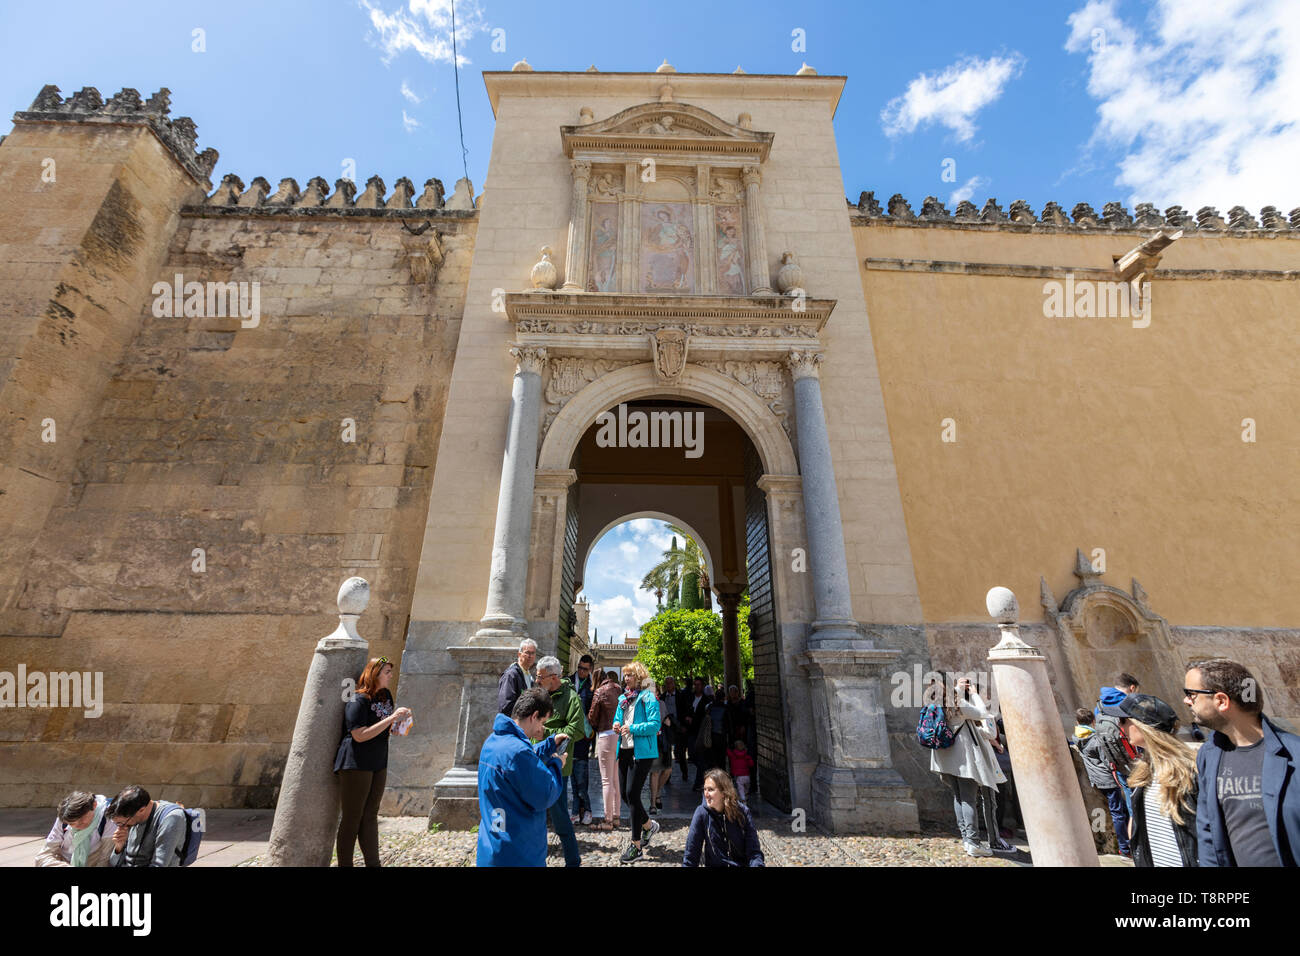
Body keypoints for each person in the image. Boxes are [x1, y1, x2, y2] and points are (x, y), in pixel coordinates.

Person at [1186, 658, 1300, 866]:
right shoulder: (1208, 755)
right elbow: (1208, 832)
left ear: (1221, 701)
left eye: (1191, 694)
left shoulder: (1295, 755)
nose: (1186, 701)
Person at [476, 687, 566, 867]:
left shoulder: (493, 742)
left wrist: (548, 746)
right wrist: (557, 764)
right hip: (518, 852)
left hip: (492, 846)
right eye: (543, 722)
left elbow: (517, 765)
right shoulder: (518, 753)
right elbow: (545, 794)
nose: (542, 729)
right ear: (534, 716)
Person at [332, 656, 409, 867]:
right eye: (387, 672)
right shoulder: (358, 700)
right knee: (352, 819)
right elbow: (359, 735)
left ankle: (373, 864)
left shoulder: (385, 697)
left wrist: (399, 724)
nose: (390, 676)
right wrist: (391, 719)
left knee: (370, 815)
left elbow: (384, 728)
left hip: (378, 761)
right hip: (356, 762)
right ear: (374, 674)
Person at [1111, 694, 1199, 867]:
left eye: (1122, 720)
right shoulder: (1143, 771)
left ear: (1141, 726)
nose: (1119, 726)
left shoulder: (1190, 771)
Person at [928, 676, 1007, 857]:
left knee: (958, 798)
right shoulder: (959, 706)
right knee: (968, 799)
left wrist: (955, 688)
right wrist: (974, 694)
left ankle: (966, 839)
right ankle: (973, 842)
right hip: (964, 760)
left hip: (945, 759)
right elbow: (984, 713)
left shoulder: (936, 706)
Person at [535, 655, 583, 866]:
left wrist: (547, 733)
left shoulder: (572, 698)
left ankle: (573, 860)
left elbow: (578, 730)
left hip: (557, 766)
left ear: (553, 677)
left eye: (541, 677)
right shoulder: (539, 694)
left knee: (560, 816)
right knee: (533, 813)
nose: (537, 680)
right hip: (534, 762)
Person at [1081, 685, 1138, 857]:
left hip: (1114, 772)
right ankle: (1128, 846)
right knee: (1129, 811)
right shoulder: (1118, 714)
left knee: (1127, 810)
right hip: (1119, 773)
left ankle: (1128, 847)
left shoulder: (1099, 716)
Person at [615, 661, 662, 863]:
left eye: (630, 675)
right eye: (625, 675)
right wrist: (616, 725)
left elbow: (655, 725)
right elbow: (618, 719)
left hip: (642, 753)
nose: (626, 679)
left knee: (633, 794)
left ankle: (636, 847)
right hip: (624, 750)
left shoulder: (648, 698)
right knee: (626, 796)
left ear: (640, 677)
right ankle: (649, 826)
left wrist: (632, 728)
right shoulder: (623, 699)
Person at [682, 769, 765, 867]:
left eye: (711, 789)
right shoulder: (701, 813)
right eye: (705, 789)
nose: (706, 794)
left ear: (723, 792)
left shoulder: (742, 812)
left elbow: (754, 852)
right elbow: (691, 854)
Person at [107, 785, 186, 867]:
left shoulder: (171, 818)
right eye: (117, 823)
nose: (120, 827)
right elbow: (113, 863)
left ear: (141, 810)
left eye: (122, 823)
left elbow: (159, 864)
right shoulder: (131, 817)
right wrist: (119, 848)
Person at [35, 791, 118, 867]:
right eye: (72, 824)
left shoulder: (107, 819)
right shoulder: (64, 819)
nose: (78, 826)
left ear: (94, 805)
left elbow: (105, 859)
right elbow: (43, 855)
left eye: (82, 820)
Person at [589, 669, 622, 830]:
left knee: (606, 780)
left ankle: (607, 819)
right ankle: (616, 816)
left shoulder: (599, 691)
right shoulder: (618, 689)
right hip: (618, 735)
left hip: (605, 735)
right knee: (615, 778)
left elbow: (592, 716)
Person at [568, 654, 596, 825]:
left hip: (584, 737)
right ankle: (575, 810)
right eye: (579, 667)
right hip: (570, 734)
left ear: (590, 669)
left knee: (581, 775)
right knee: (572, 773)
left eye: (584, 669)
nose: (580, 671)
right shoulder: (568, 682)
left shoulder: (593, 687)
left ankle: (586, 808)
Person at [648, 678, 676, 814]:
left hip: (663, 741)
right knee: (654, 772)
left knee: (668, 770)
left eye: (654, 690)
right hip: (652, 741)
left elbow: (667, 721)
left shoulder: (662, 704)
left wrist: (667, 721)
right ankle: (653, 803)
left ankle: (657, 792)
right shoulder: (644, 705)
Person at [497, 638, 537, 718]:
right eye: (527, 653)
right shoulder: (511, 675)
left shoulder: (529, 676)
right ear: (519, 654)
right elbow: (506, 706)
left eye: (533, 653)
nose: (530, 656)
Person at [683, 677, 710, 789]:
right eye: (695, 684)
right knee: (693, 755)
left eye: (699, 684)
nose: (697, 686)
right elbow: (686, 709)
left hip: (701, 731)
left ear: (702, 686)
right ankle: (704, 774)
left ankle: (698, 782)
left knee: (699, 756)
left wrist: (694, 719)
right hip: (691, 731)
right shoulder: (690, 697)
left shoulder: (707, 700)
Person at [727, 738, 755, 804]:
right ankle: (745, 796)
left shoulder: (733, 755)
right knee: (746, 788)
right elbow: (751, 764)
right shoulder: (747, 756)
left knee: (740, 789)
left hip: (738, 777)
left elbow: (728, 752)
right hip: (747, 776)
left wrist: (727, 747)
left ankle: (743, 799)